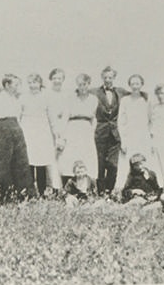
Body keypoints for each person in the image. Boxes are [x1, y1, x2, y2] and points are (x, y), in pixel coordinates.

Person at [0, 74, 36, 202]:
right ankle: (2, 195)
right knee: (3, 164)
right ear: (7, 85)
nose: (18, 87)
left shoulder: (16, 100)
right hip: (2, 132)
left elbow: (18, 117)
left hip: (16, 131)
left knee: (20, 162)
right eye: (16, 85)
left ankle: (22, 194)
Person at [20, 73, 60, 197]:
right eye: (30, 83)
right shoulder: (23, 97)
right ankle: (30, 191)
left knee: (41, 161)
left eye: (35, 83)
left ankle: (42, 191)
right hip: (27, 130)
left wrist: (56, 133)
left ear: (40, 83)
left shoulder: (46, 97)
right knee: (29, 161)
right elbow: (18, 115)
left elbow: (52, 117)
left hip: (42, 131)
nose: (33, 85)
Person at [92, 66, 128, 196]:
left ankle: (109, 190)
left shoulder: (121, 92)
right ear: (102, 77)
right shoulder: (94, 92)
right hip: (100, 132)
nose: (108, 80)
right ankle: (101, 192)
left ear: (114, 78)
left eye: (110, 77)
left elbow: (137, 94)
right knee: (100, 163)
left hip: (115, 133)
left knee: (113, 164)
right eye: (105, 77)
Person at [57, 73, 98, 183]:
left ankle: (88, 184)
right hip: (72, 128)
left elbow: (94, 118)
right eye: (80, 85)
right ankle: (68, 183)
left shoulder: (93, 99)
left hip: (86, 129)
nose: (82, 87)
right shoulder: (70, 98)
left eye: (85, 84)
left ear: (89, 84)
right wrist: (61, 136)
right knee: (70, 155)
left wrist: (92, 132)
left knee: (87, 155)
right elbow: (64, 118)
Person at [117, 74, 153, 186]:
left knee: (144, 161)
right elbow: (121, 121)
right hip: (129, 136)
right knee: (127, 161)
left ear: (141, 85)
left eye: (137, 83)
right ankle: (123, 187)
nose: (135, 86)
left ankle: (147, 187)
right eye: (132, 84)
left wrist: (150, 137)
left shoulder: (146, 100)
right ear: (129, 85)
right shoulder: (125, 100)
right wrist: (123, 141)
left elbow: (151, 120)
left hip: (143, 136)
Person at [46, 67, 69, 160]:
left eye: (59, 78)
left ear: (63, 79)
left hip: (63, 127)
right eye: (54, 78)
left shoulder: (66, 95)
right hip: (48, 128)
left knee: (62, 156)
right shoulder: (46, 94)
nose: (57, 81)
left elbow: (67, 113)